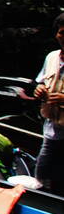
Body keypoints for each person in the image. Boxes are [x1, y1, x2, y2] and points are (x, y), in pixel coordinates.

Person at [20, 12, 64, 194]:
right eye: (63, 32)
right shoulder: (51, 57)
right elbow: (41, 82)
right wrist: (39, 89)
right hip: (52, 129)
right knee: (41, 176)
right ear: (57, 34)